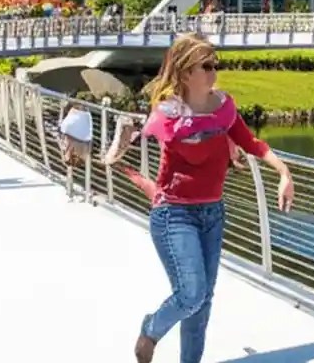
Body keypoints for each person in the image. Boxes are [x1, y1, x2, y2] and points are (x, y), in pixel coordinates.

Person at [102, 33, 295, 363]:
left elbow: (252, 144)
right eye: (205, 65)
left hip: (212, 214)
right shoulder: (167, 115)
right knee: (191, 294)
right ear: (186, 72)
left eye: (214, 64)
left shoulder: (224, 108)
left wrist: (284, 173)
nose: (213, 71)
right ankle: (151, 328)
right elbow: (128, 143)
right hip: (173, 215)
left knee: (202, 302)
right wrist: (123, 141)